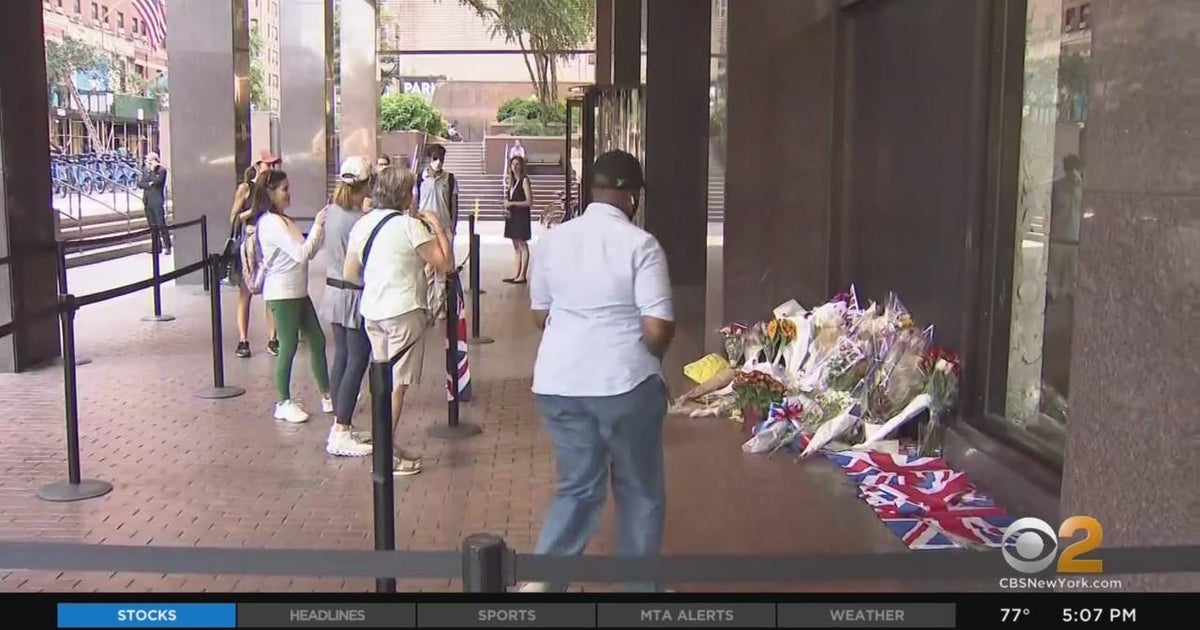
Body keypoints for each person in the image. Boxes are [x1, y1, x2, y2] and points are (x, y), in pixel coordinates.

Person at [520, 150, 675, 593]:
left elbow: (539, 315)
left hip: (558, 383)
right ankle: (638, 591)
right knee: (639, 490)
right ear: (632, 197)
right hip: (625, 383)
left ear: (592, 190)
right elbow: (657, 326)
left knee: (577, 487)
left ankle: (544, 583)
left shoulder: (552, 241)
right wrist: (651, 359)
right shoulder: (641, 245)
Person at [344, 166, 455, 475]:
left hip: (372, 311)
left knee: (381, 379)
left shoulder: (363, 224)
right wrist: (438, 226)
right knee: (396, 385)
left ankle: (385, 445)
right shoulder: (410, 226)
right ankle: (386, 453)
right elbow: (445, 263)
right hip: (404, 311)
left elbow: (350, 273)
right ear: (405, 195)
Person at [242, 170, 333, 424]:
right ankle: (283, 402)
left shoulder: (283, 221)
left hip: (297, 291)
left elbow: (308, 251)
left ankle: (327, 395)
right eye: (284, 189)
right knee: (289, 345)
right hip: (283, 293)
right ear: (270, 193)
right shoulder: (271, 223)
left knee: (317, 339)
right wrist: (318, 225)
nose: (288, 193)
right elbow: (302, 254)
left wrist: (319, 228)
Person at [320, 157, 376, 457]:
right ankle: (341, 430)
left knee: (342, 356)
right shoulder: (359, 221)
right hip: (352, 293)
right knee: (357, 360)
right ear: (366, 184)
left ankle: (341, 422)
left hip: (333, 291)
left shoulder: (331, 212)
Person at [230, 150, 283, 358]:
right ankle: (243, 339)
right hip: (249, 245)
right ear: (258, 166)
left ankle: (273, 338)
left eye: (273, 165)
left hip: (268, 244)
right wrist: (251, 212)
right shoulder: (246, 188)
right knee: (245, 293)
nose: (271, 168)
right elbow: (233, 217)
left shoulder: (273, 190)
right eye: (267, 164)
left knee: (271, 292)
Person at [415, 143, 459, 317]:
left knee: (442, 270)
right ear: (429, 159)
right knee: (426, 270)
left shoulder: (450, 179)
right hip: (425, 228)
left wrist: (453, 227)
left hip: (444, 228)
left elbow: (454, 204)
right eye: (435, 158)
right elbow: (415, 202)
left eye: (441, 159)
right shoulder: (420, 178)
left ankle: (439, 307)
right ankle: (426, 305)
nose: (438, 162)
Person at [503, 155, 533, 283]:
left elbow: (529, 201)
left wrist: (513, 203)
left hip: (521, 216)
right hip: (513, 216)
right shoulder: (512, 182)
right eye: (512, 164)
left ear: (521, 166)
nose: (515, 167)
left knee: (522, 244)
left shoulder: (524, 181)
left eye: (517, 164)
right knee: (516, 245)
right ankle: (516, 274)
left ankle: (523, 275)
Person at [137, 152, 171, 254]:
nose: (147, 162)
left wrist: (153, 171)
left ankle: (167, 246)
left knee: (161, 224)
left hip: (157, 201)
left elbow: (158, 182)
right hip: (147, 201)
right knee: (152, 226)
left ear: (154, 160)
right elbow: (140, 184)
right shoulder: (146, 171)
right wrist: (149, 184)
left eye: (149, 160)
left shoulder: (161, 170)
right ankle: (156, 247)